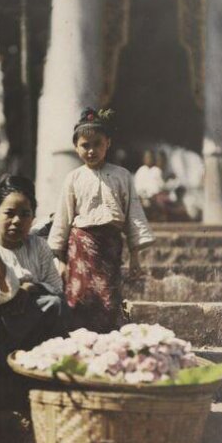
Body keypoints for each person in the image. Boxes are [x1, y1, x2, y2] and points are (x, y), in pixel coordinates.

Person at [48, 108, 155, 333]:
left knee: (108, 298)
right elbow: (63, 217)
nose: (91, 150)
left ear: (108, 143)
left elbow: (133, 215)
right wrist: (60, 260)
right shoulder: (73, 178)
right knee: (79, 297)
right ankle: (78, 342)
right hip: (80, 246)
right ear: (76, 147)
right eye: (85, 145)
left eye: (97, 144)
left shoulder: (122, 176)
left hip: (110, 245)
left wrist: (135, 257)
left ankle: (105, 342)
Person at [0, 175, 68, 370]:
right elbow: (0, 291)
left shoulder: (39, 246)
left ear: (33, 218)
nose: (17, 221)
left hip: (27, 319)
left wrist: (30, 288)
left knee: (56, 303)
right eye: (9, 213)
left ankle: (42, 361)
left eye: (25, 214)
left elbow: (56, 288)